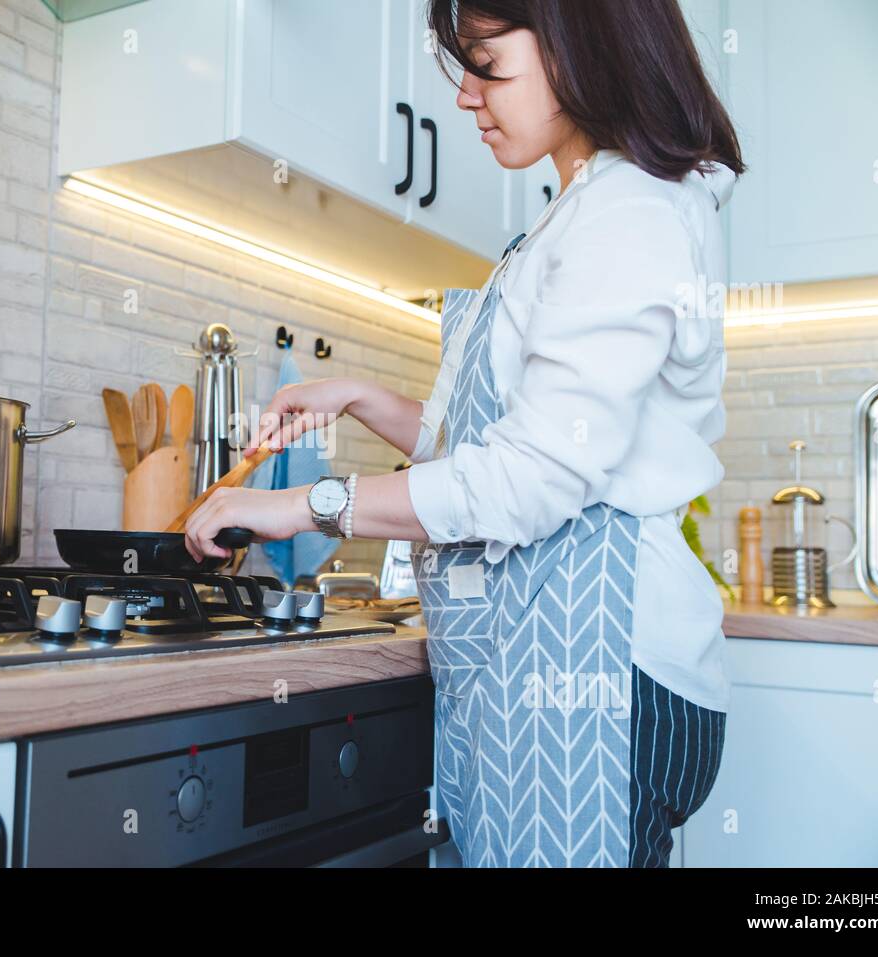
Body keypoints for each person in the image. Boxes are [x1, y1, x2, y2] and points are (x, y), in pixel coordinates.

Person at [182, 0, 743, 867]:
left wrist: (304, 505)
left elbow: (528, 479)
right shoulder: (581, 208)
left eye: (487, 63)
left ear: (577, 43)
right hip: (550, 658)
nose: (467, 98)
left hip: (601, 675)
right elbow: (512, 444)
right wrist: (366, 396)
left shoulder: (630, 211)